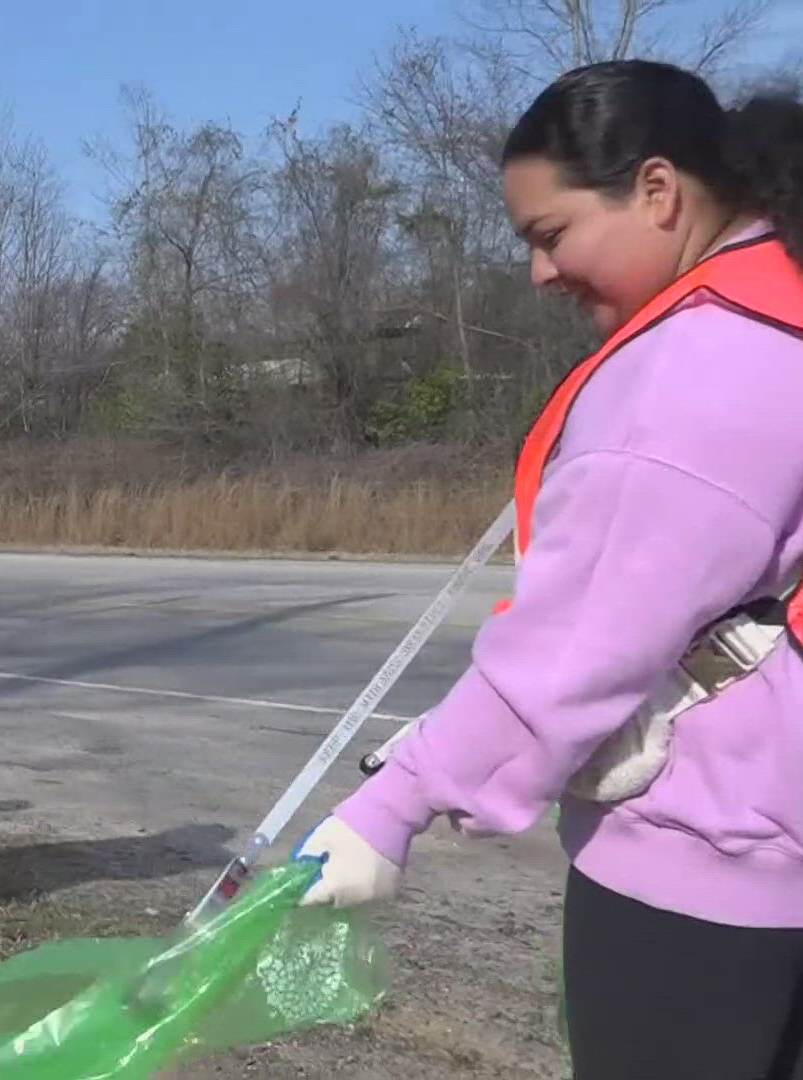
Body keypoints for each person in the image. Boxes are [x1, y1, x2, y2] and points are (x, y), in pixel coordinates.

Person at [292, 60, 803, 1078]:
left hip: (716, 882)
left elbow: (575, 652)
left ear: (658, 192)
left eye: (551, 235)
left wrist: (390, 807)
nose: (539, 273)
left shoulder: (695, 377)